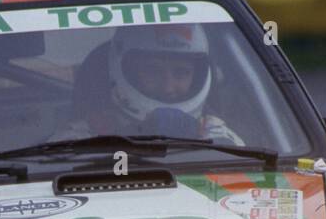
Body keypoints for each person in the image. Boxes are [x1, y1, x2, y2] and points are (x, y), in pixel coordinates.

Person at [65, 23, 245, 145]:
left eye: (181, 73)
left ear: (197, 77)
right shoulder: (82, 139)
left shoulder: (220, 140)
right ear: (127, 71)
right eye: (153, 71)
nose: (168, 87)